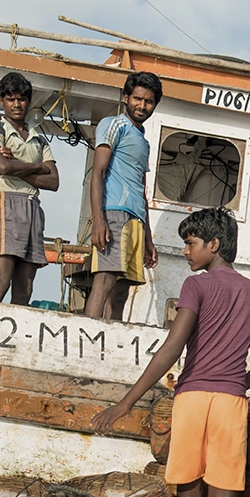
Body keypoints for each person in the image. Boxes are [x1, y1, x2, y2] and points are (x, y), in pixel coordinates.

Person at [91, 208, 250, 497]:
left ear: (214, 245)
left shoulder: (196, 286)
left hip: (192, 399)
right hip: (231, 404)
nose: (185, 251)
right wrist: (236, 383)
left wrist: (126, 403)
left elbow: (171, 349)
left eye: (191, 243)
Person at [0, 72, 58, 304]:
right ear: (2, 101)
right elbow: (2, 166)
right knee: (1, 280)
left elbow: (54, 182)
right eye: (11, 99)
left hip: (33, 207)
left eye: (21, 99)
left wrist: (17, 166)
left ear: (29, 102)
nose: (16, 104)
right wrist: (37, 167)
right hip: (5, 203)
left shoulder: (38, 139)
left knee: (26, 287)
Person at [85, 71, 162, 319]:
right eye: (137, 99)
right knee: (104, 281)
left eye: (148, 101)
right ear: (126, 97)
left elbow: (142, 191)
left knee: (122, 291)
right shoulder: (114, 124)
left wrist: (149, 239)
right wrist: (98, 219)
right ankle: (84, 340)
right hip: (114, 212)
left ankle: (108, 346)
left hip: (136, 219)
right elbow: (97, 173)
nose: (142, 105)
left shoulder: (143, 141)